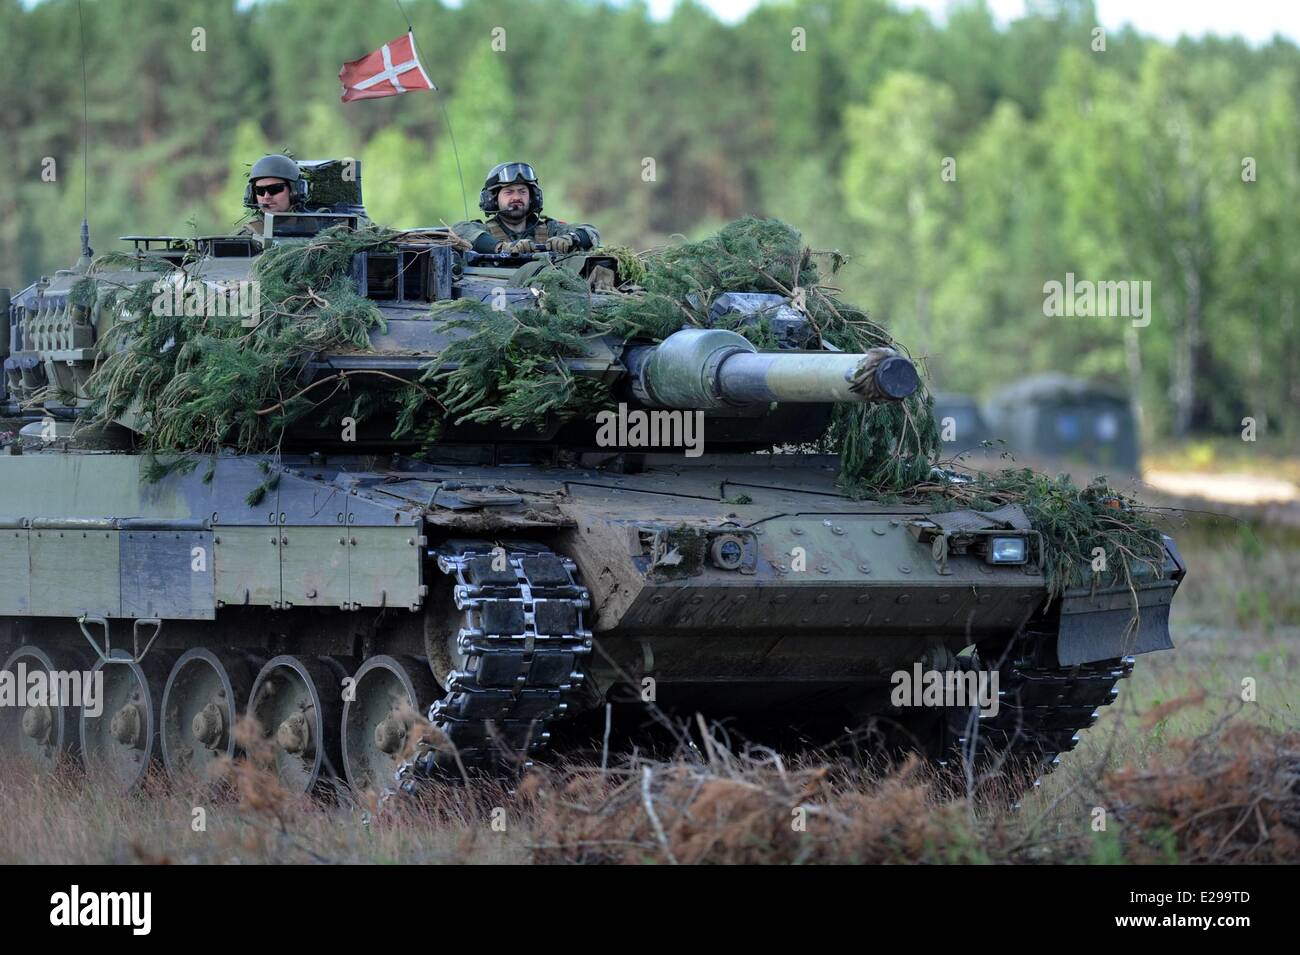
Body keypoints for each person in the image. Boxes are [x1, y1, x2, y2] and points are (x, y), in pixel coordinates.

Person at [453, 162, 599, 254]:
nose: (516, 197)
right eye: (509, 192)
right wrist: (503, 247)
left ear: (532, 197)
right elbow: (459, 230)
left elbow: (591, 231)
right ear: (493, 199)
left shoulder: (549, 229)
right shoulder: (484, 231)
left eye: (522, 192)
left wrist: (571, 239)